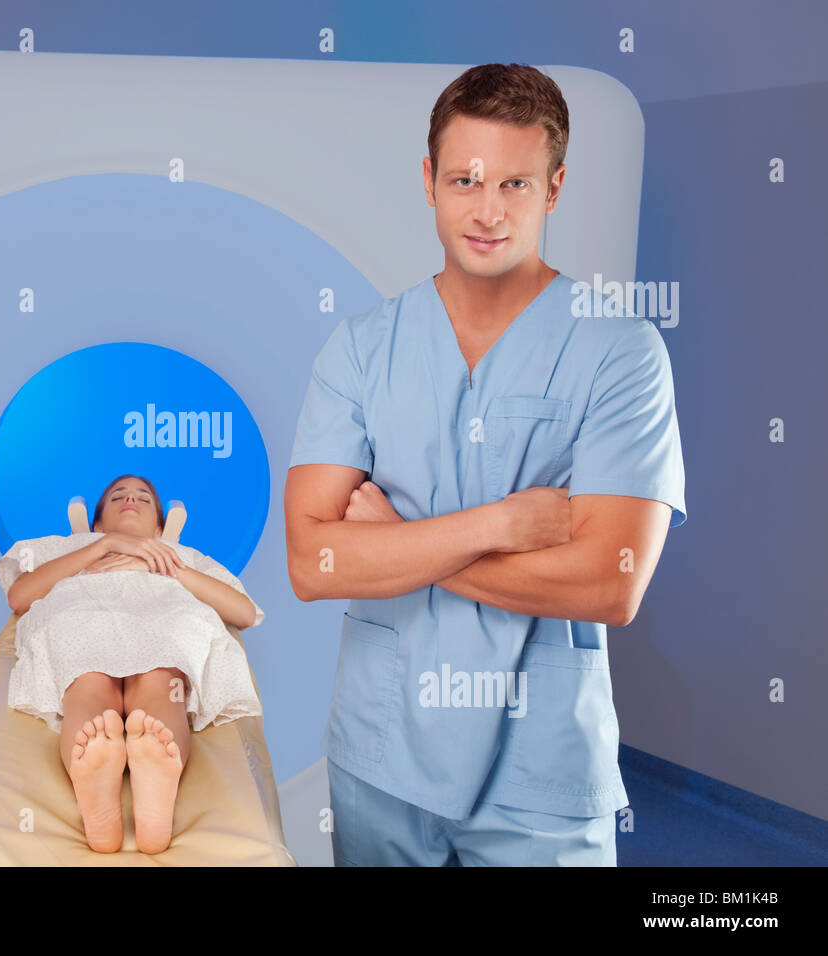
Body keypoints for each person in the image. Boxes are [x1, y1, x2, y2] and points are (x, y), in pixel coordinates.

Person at [284, 63, 686, 866]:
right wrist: (502, 524)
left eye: (515, 183)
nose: (489, 210)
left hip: (541, 771)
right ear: (429, 180)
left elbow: (610, 583)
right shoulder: (363, 349)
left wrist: (401, 543)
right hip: (381, 757)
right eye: (465, 179)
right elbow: (314, 561)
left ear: (556, 187)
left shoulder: (619, 353)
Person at [0, 474, 264, 854]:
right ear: (98, 521)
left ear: (159, 526)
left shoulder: (182, 557)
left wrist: (163, 566)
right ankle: (95, 776)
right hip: (82, 616)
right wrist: (101, 547)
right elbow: (20, 596)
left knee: (160, 677)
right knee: (87, 678)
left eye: (143, 497)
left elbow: (244, 612)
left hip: (163, 618)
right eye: (117, 496)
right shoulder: (71, 548)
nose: (130, 499)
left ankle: (156, 781)